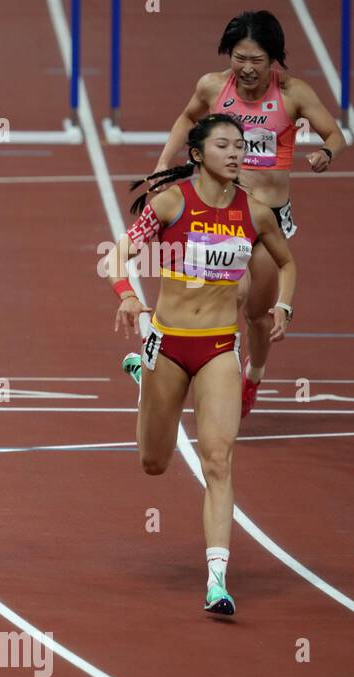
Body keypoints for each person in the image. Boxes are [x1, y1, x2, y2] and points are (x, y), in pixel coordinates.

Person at [110, 114, 295, 616]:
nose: (237, 154)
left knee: (218, 461)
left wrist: (284, 305)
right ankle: (143, 378)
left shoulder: (255, 212)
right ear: (198, 154)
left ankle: (217, 581)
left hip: (218, 349)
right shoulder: (170, 203)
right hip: (169, 345)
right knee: (155, 462)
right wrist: (129, 296)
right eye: (224, 145)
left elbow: (286, 262)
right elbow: (118, 254)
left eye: (241, 146)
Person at [151, 10, 341, 416]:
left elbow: (337, 133)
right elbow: (187, 117)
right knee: (218, 294)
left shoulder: (293, 94)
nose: (247, 68)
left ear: (273, 59)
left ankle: (253, 375)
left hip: (266, 218)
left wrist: (327, 152)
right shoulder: (213, 86)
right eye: (240, 58)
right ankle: (199, 371)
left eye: (257, 60)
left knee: (256, 313)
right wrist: (162, 165)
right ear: (228, 54)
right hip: (220, 216)